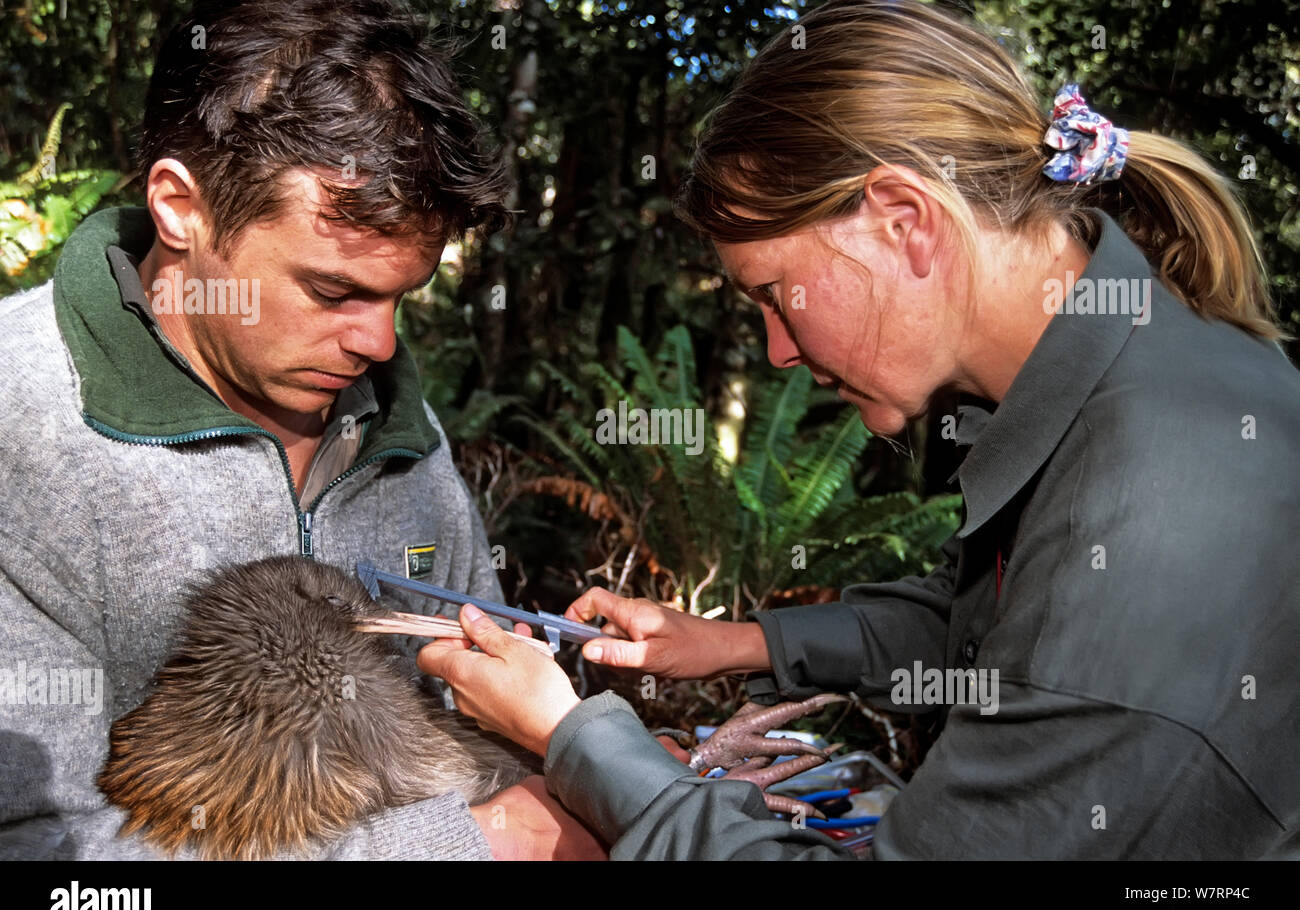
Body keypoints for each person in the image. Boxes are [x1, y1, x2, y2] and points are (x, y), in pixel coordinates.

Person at [420, 0, 1300, 859]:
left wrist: (574, 736)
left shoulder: (1149, 511)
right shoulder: (1132, 369)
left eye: (774, 294)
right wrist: (734, 643)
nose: (776, 350)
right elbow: (996, 624)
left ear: (904, 221)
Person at [0, 0, 601, 860]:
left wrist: (621, 778)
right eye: (333, 291)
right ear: (180, 206)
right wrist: (463, 846)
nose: (381, 343)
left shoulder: (393, 417)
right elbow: (47, 862)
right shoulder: (21, 430)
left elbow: (482, 719)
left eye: (403, 295)